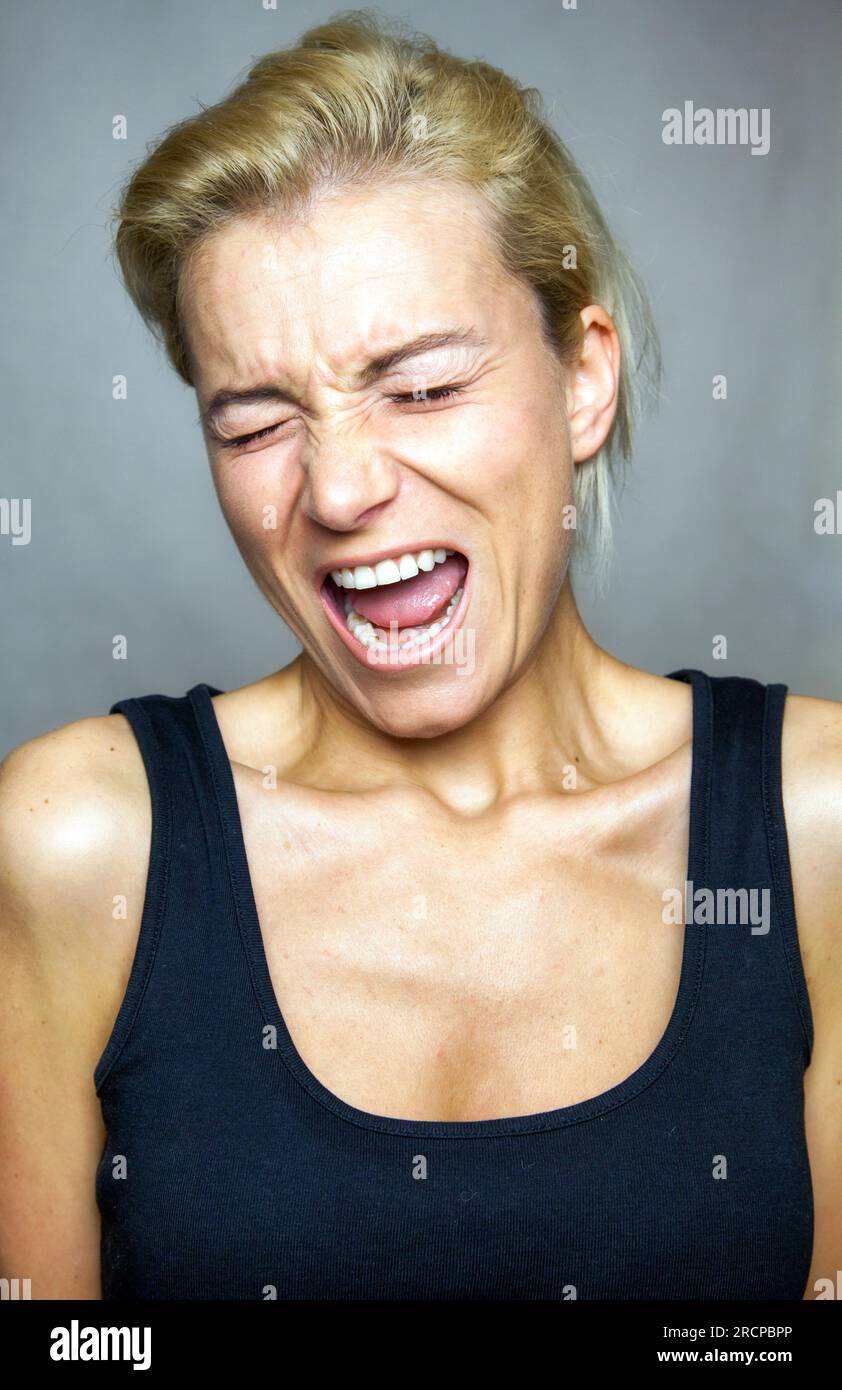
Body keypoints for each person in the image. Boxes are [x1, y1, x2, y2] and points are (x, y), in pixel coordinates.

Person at [1, 12, 839, 1301]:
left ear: (583, 382)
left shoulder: (814, 825)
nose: (337, 489)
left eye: (425, 387)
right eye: (256, 422)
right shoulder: (77, 847)